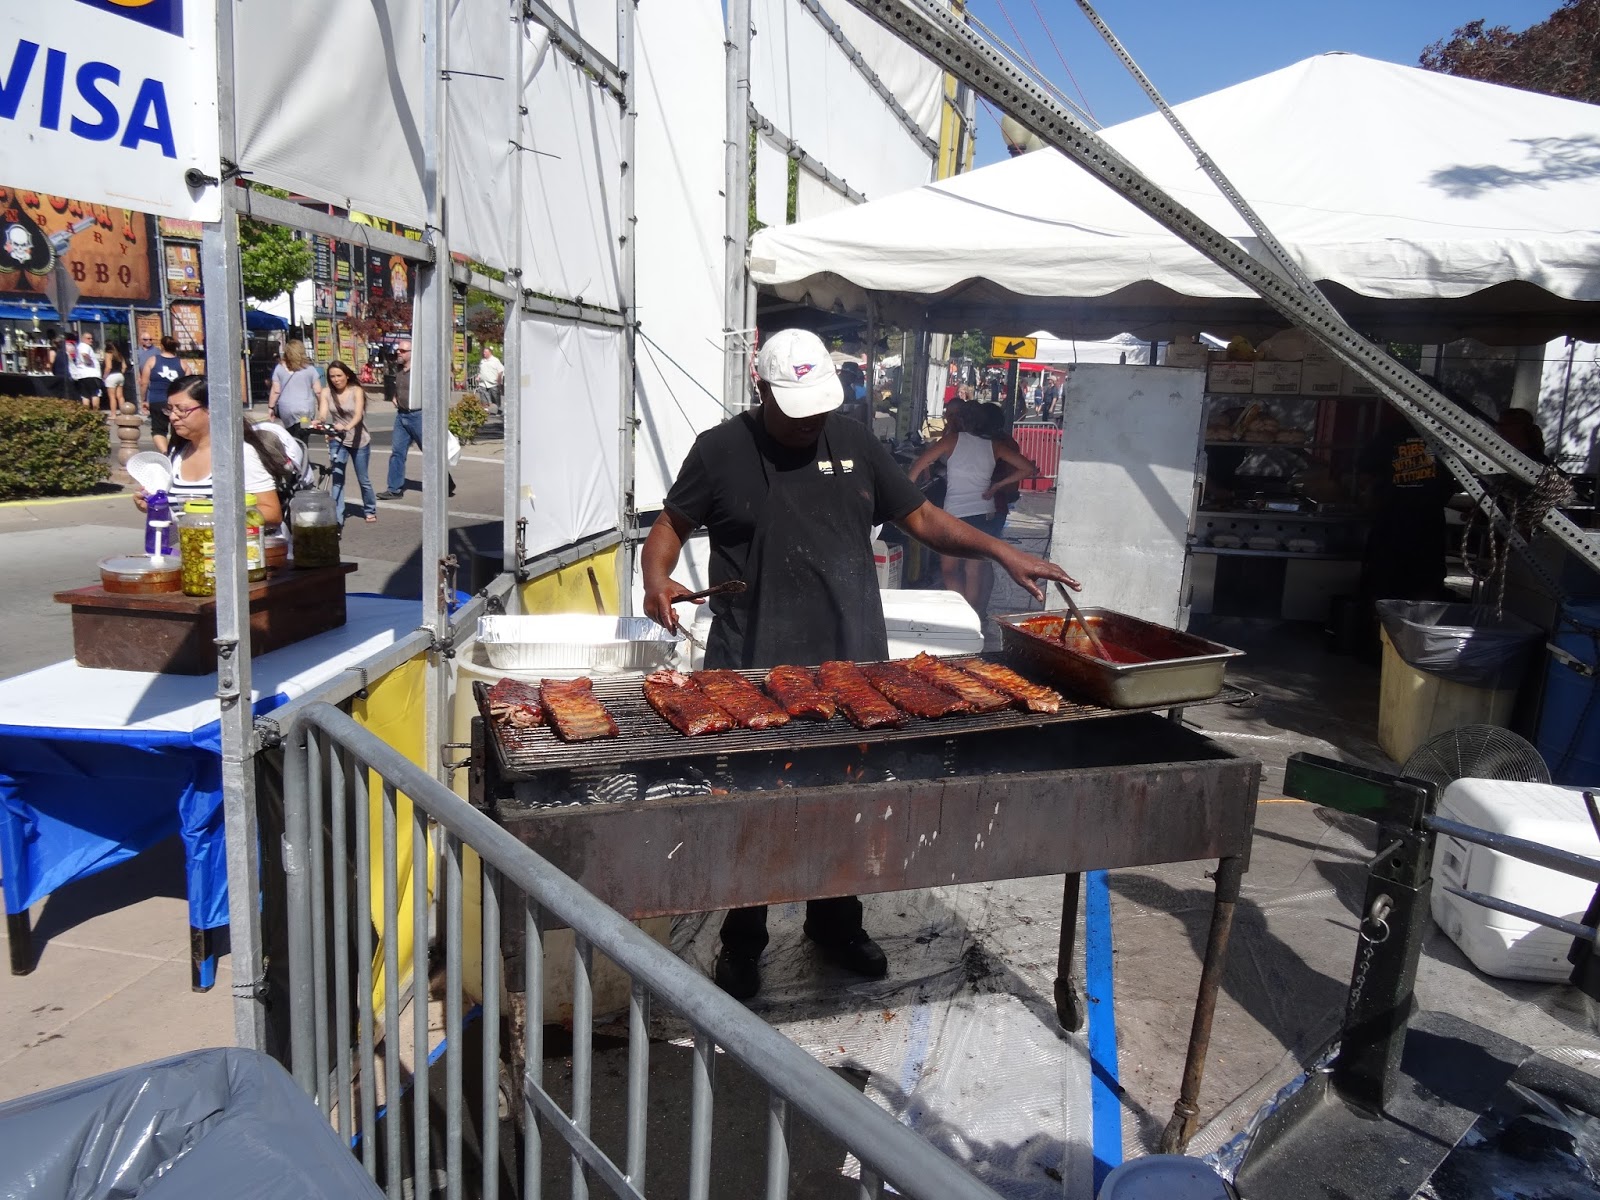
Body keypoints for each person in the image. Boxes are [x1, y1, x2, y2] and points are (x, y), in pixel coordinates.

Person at [640, 327, 1078, 1001]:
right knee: (755, 808)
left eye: (818, 406)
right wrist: (656, 577)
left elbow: (922, 516)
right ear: (761, 390)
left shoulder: (853, 441)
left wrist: (1000, 551)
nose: (810, 420)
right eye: (796, 408)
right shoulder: (720, 450)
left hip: (851, 660)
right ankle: (743, 938)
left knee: (850, 802)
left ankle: (836, 925)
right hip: (751, 665)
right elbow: (670, 524)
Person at [908, 399, 1037, 614]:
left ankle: (963, 613)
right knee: (973, 570)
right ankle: (974, 616)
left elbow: (920, 462)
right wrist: (997, 486)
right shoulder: (995, 446)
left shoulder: (951, 440)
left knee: (948, 568)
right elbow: (1027, 468)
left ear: (962, 420)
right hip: (982, 512)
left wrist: (908, 490)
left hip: (953, 514)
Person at [132, 376, 290, 528]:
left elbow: (272, 512)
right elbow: (178, 518)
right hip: (190, 552)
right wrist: (153, 507)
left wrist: (209, 516)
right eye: (170, 409)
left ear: (210, 409)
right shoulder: (177, 454)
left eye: (182, 409)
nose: (173, 417)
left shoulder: (240, 454)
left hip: (236, 554)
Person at [379, 336, 455, 499]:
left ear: (412, 353)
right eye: (398, 350)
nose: (399, 353)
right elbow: (399, 388)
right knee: (397, 452)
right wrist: (395, 397)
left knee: (430, 453)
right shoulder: (399, 370)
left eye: (403, 350)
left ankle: (445, 483)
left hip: (419, 416)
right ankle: (394, 489)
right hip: (402, 415)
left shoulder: (420, 372)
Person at [318, 359, 377, 525]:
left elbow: (358, 415)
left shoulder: (356, 390)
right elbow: (322, 413)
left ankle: (370, 509)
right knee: (337, 478)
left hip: (359, 440)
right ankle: (338, 517)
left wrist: (347, 426)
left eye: (339, 375)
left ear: (347, 375)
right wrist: (319, 421)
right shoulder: (326, 392)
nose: (336, 379)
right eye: (332, 377)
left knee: (363, 478)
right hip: (337, 439)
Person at [266, 338, 322, 452]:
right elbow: (318, 391)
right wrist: (321, 406)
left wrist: (271, 407)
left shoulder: (279, 369)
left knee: (291, 436)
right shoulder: (310, 369)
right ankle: (303, 458)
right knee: (304, 434)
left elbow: (276, 391)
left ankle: (294, 458)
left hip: (287, 409)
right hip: (305, 409)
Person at [140, 335, 185, 454]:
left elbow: (144, 383)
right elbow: (187, 385)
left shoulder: (152, 360)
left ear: (162, 346)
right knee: (177, 428)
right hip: (175, 402)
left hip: (157, 400)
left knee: (159, 430)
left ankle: (165, 453)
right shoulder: (182, 363)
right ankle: (176, 452)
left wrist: (143, 399)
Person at [70, 332, 102, 409]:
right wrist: (89, 361)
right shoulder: (85, 346)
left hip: (82, 375)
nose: (91, 340)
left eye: (91, 338)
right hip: (90, 374)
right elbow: (84, 354)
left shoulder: (79, 347)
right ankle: (95, 413)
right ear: (82, 339)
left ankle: (86, 413)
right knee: (95, 394)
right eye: (88, 338)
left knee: (85, 395)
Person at [476, 344, 505, 412]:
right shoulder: (482, 361)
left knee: (495, 399)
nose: (484, 353)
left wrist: (499, 381)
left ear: (490, 353)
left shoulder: (495, 360)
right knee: (483, 399)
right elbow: (481, 371)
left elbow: (500, 371)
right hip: (483, 383)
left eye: (485, 352)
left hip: (493, 383)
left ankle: (497, 410)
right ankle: (485, 411)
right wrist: (478, 377)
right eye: (484, 352)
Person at [102, 341, 126, 410]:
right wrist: (121, 373)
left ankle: (113, 414)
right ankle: (123, 413)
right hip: (120, 375)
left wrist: (104, 376)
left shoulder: (108, 354)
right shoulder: (119, 355)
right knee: (120, 396)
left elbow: (108, 367)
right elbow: (124, 366)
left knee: (112, 397)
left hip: (111, 376)